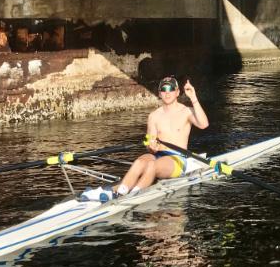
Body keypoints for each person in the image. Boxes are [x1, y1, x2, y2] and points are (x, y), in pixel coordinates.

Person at [80, 76, 209, 202]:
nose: (167, 92)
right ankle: (119, 192)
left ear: (177, 92)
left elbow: (204, 125)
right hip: (158, 155)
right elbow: (150, 143)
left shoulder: (187, 111)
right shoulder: (154, 116)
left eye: (171, 89)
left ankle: (133, 193)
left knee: (151, 165)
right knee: (140, 161)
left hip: (178, 158)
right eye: (164, 89)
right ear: (159, 93)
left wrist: (193, 98)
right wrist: (151, 146)